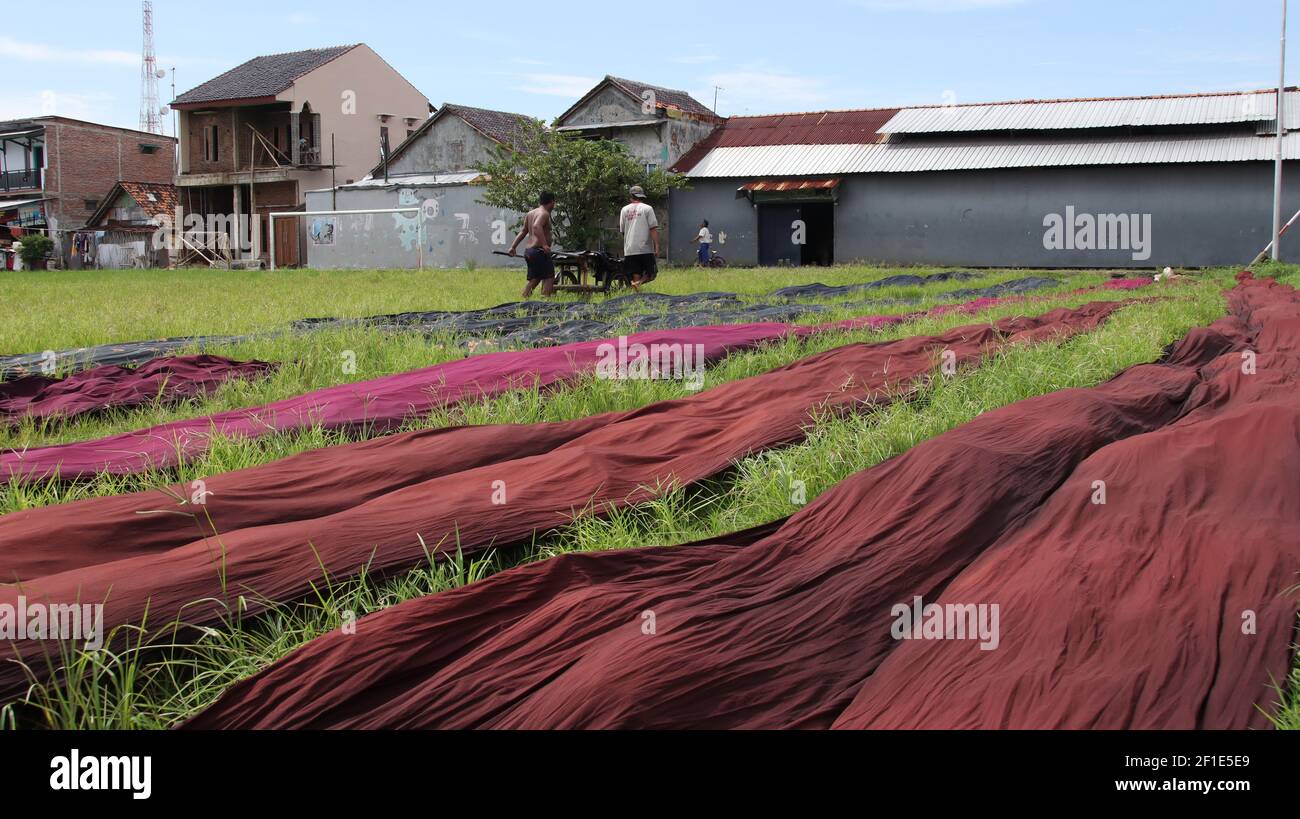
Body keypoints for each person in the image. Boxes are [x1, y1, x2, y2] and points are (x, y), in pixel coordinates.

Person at [507, 191, 557, 297]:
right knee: (549, 277)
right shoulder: (544, 213)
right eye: (554, 202)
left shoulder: (531, 213)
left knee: (535, 278)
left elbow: (523, 231)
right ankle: (546, 303)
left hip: (530, 252)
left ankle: (523, 299)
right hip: (539, 251)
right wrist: (544, 245)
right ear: (552, 202)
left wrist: (513, 246)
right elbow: (536, 226)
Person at [619, 185, 659, 289]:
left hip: (630, 249)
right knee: (652, 273)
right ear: (642, 196)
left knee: (635, 273)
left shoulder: (624, 210)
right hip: (645, 248)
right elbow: (653, 229)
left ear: (630, 196)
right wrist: (657, 246)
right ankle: (638, 284)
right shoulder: (648, 209)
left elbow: (622, 231)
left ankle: (637, 296)